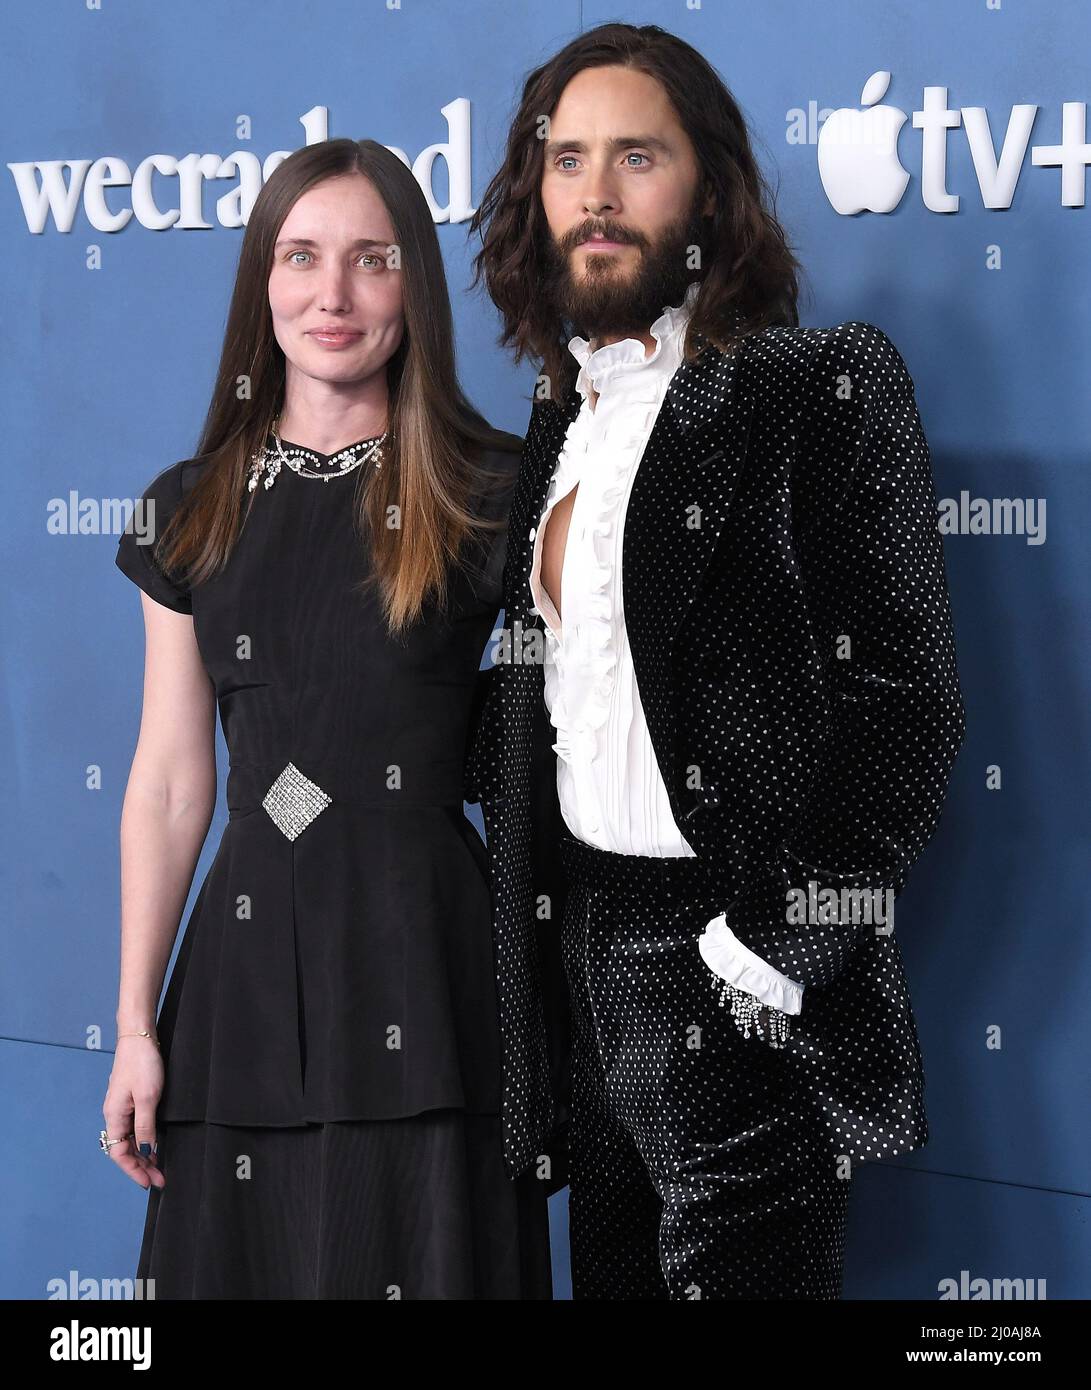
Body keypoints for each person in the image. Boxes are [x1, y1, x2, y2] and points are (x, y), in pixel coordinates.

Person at [466, 22, 967, 1298]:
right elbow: (556, 703)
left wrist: (767, 946)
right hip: (582, 958)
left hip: (730, 954)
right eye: (564, 159)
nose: (593, 191)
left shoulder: (818, 388)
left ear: (708, 186)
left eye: (635, 155)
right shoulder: (558, 419)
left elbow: (903, 707)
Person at [105, 137, 553, 1299]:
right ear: (263, 281)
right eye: (300, 256)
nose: (332, 294)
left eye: (372, 259)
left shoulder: (496, 487)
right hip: (243, 978)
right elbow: (166, 781)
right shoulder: (190, 508)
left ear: (415, 285)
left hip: (429, 966)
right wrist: (136, 1025)